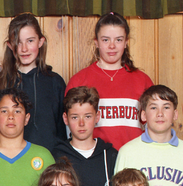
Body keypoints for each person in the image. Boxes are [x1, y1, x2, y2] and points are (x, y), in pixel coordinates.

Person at [64, 13, 153, 151]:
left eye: (118, 40)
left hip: (134, 159)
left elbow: (152, 129)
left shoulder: (143, 81)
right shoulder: (79, 80)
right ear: (96, 42)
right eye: (106, 40)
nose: (112, 46)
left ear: (126, 42)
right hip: (95, 159)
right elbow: (70, 131)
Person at [0, 14, 66, 152]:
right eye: (18, 42)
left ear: (40, 42)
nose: (24, 49)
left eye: (30, 41)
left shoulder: (55, 82)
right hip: (8, 160)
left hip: (48, 160)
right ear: (10, 45)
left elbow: (62, 132)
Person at [52, 86, 119, 186]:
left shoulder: (111, 155)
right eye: (75, 117)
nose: (81, 123)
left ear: (97, 117)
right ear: (65, 118)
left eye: (87, 116)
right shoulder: (56, 156)